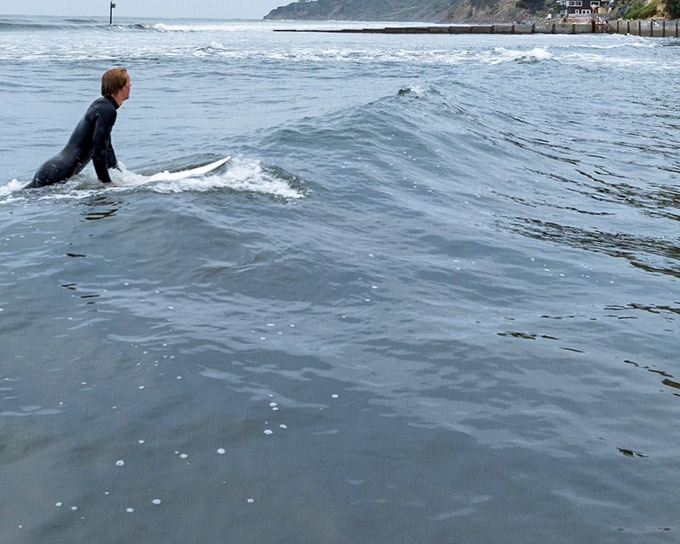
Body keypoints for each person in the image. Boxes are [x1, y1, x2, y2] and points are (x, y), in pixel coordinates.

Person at [25, 67, 131, 189]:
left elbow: (106, 146)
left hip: (54, 170)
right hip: (57, 173)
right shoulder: (107, 110)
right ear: (120, 87)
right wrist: (107, 183)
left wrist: (117, 172)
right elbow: (98, 152)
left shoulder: (103, 106)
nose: (130, 86)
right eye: (128, 83)